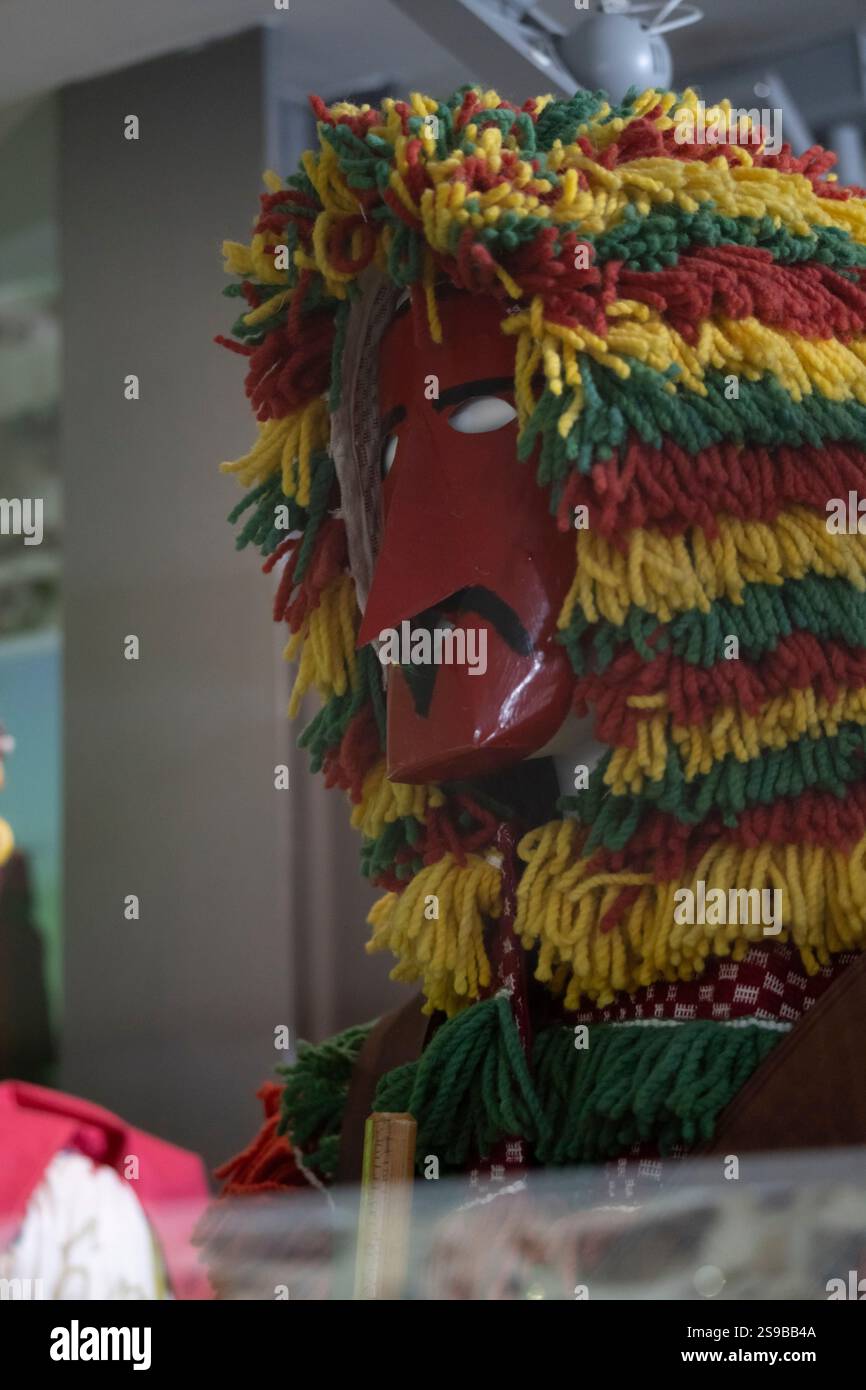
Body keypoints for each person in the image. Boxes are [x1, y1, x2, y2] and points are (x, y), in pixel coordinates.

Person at [212, 84, 866, 1205]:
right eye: (375, 471)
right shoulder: (396, 1089)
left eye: (483, 417)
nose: (387, 613)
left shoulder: (832, 1048)